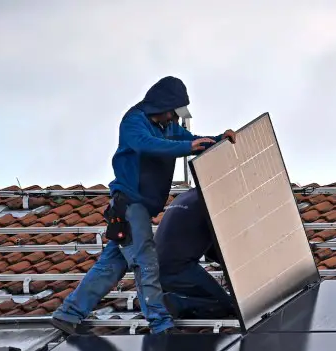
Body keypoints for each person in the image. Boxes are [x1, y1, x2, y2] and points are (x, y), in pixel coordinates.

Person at [51, 76, 236, 336]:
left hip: (141, 210)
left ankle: (68, 314)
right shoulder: (134, 121)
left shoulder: (168, 127)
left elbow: (192, 140)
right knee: (147, 263)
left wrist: (217, 140)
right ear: (161, 105)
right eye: (172, 112)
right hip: (129, 206)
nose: (174, 118)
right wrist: (186, 145)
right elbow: (146, 145)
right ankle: (161, 325)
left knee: (110, 267)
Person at [155, 187, 237, 319]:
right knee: (228, 306)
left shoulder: (184, 197)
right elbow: (217, 246)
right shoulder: (210, 202)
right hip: (179, 268)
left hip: (156, 266)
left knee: (208, 297)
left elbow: (209, 249)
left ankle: (171, 303)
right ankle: (175, 304)